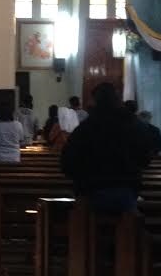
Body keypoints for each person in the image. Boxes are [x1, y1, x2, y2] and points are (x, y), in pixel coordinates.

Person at [60, 82, 153, 213]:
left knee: (89, 230)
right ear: (118, 99)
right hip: (125, 189)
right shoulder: (134, 125)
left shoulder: (86, 128)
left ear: (95, 100)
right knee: (127, 228)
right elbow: (146, 156)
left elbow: (67, 162)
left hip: (91, 189)